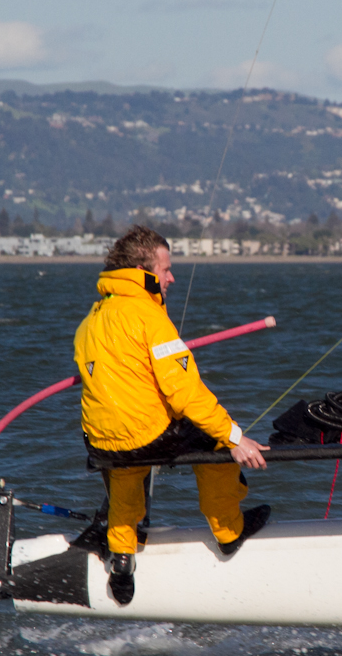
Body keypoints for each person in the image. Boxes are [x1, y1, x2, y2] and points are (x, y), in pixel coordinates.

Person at [74, 225, 271, 605]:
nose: (171, 278)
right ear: (143, 273)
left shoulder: (90, 321)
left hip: (101, 442)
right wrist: (235, 437)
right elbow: (186, 394)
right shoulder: (149, 317)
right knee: (212, 439)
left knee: (125, 467)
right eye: (165, 270)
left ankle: (122, 557)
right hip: (145, 436)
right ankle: (229, 531)